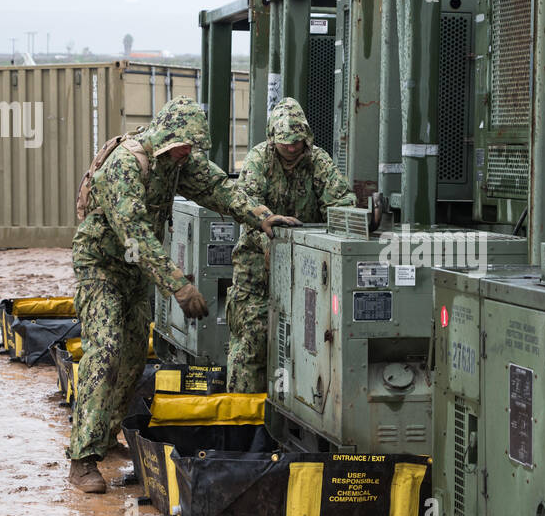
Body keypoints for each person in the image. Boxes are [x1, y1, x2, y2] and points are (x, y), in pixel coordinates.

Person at [67, 96, 299, 493]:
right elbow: (135, 237)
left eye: (192, 148)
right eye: (184, 147)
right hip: (102, 266)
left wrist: (260, 216)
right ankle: (82, 457)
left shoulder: (178, 161)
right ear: (167, 139)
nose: (188, 155)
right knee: (105, 349)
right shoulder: (124, 167)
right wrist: (179, 285)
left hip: (137, 272)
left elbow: (218, 189)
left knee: (135, 352)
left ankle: (105, 438)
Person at [226, 97, 356, 393]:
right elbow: (245, 205)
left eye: (297, 141)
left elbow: (341, 201)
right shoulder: (259, 160)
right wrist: (268, 234)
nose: (291, 147)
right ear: (273, 139)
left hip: (304, 269)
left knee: (303, 341)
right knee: (253, 337)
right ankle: (243, 416)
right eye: (285, 142)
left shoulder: (318, 161)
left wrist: (348, 224)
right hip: (256, 265)